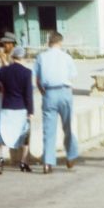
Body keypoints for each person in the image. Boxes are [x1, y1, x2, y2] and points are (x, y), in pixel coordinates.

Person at [34, 31, 79, 174]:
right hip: (64, 91)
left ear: (49, 42)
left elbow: (37, 79)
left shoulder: (41, 57)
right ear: (60, 42)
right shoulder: (67, 57)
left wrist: (44, 92)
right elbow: (73, 76)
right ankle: (71, 156)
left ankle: (48, 163)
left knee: (49, 130)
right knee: (68, 126)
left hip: (49, 93)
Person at [0, 46, 34, 173]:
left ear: (13, 56)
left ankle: (1, 159)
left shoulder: (4, 70)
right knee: (24, 136)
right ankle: (23, 162)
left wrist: (1, 88)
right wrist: (31, 111)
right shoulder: (27, 72)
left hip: (6, 107)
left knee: (5, 135)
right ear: (23, 57)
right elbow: (28, 94)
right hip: (21, 109)